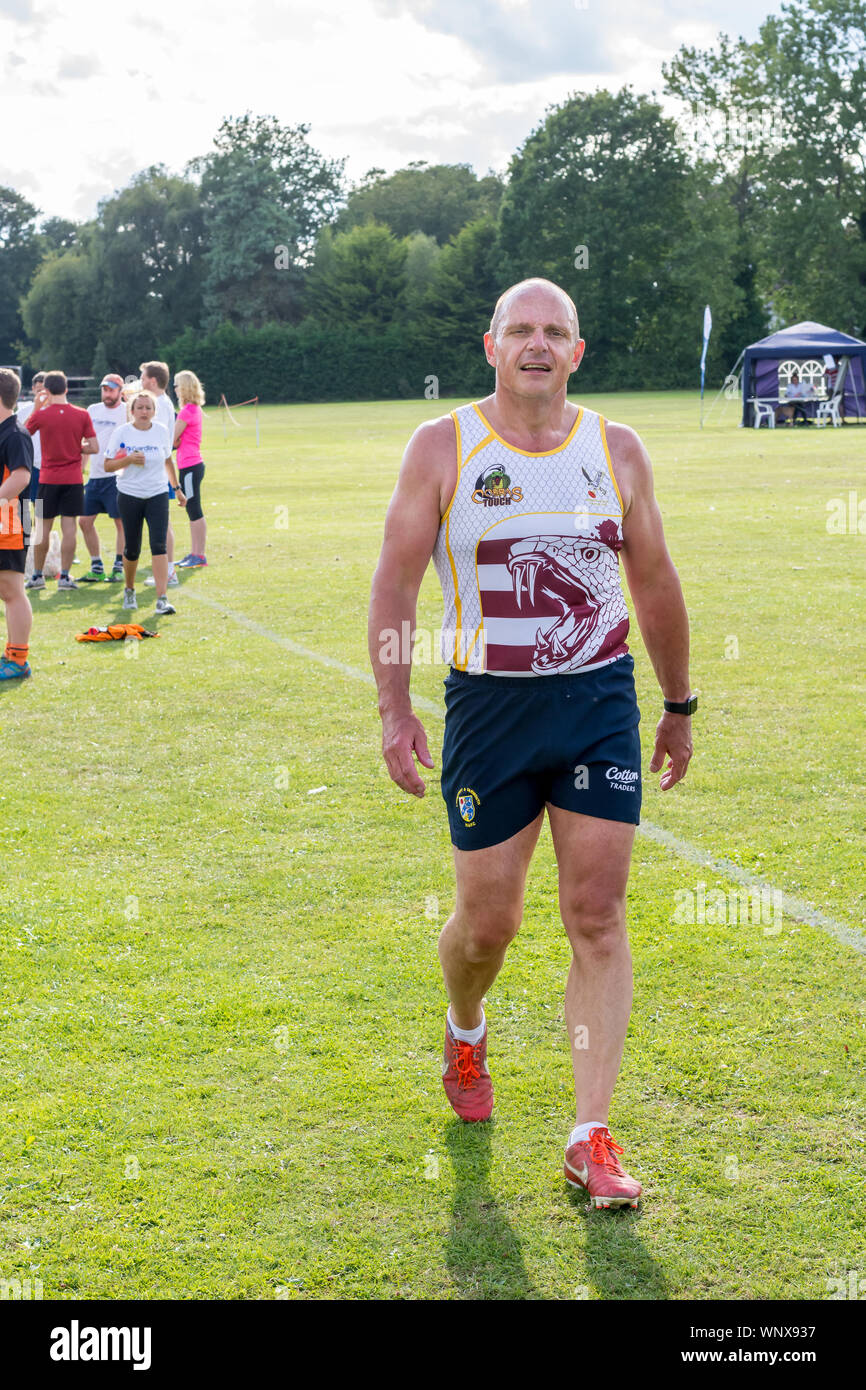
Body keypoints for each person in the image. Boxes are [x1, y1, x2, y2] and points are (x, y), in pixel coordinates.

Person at [368, 278, 695, 1210]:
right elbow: (393, 586)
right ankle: (464, 1028)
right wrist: (395, 710)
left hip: (596, 700)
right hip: (489, 710)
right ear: (492, 346)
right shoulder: (444, 447)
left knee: (596, 914)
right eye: (522, 330)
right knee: (490, 925)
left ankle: (589, 1134)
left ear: (578, 352)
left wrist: (678, 703)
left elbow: (657, 581)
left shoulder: (617, 449)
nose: (539, 344)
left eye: (556, 331)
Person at [103, 390, 185, 616]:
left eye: (148, 408)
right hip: (129, 494)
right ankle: (129, 590)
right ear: (131, 411)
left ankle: (162, 598)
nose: (144, 412)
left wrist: (177, 489)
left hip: (157, 493)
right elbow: (108, 465)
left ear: (154, 411)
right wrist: (128, 459)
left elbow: (168, 461)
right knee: (132, 547)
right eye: (139, 407)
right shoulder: (122, 432)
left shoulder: (161, 431)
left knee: (159, 545)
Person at [23, 370, 98, 590]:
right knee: (69, 529)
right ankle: (64, 577)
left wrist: (37, 408)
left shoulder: (42, 415)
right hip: (73, 480)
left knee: (42, 529)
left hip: (47, 479)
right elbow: (93, 447)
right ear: (66, 388)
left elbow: (22, 434)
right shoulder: (82, 414)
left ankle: (37, 576)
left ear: (45, 390)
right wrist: (77, 447)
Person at [0, 369, 34, 680]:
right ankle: (11, 654)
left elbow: (22, 477)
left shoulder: (15, 434)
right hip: (4, 519)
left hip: (11, 521)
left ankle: (19, 659)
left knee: (12, 591)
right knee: (6, 590)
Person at [79, 373, 127, 582]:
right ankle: (97, 565)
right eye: (105, 389)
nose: (107, 394)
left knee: (120, 522)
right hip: (95, 477)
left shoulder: (127, 411)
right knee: (84, 522)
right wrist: (81, 470)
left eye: (112, 389)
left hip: (116, 476)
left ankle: (119, 565)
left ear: (120, 392)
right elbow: (87, 442)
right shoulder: (92, 410)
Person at [139, 362, 179, 588]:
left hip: (157, 473)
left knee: (161, 525)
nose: (141, 381)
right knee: (160, 524)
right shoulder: (161, 403)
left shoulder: (161, 405)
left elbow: (156, 440)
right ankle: (166, 570)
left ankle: (169, 571)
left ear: (152, 381)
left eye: (143, 377)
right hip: (155, 472)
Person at [172, 370, 207, 568]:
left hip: (190, 465)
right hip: (190, 464)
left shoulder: (187, 411)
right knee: (192, 509)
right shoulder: (193, 409)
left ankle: (199, 555)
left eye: (177, 385)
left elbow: (172, 438)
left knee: (194, 509)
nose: (175, 389)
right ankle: (195, 552)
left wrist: (175, 440)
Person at [16, 371, 45, 522]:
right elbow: (19, 432)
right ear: (33, 389)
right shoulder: (23, 412)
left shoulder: (54, 411)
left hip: (45, 465)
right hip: (28, 463)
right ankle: (28, 541)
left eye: (45, 389)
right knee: (24, 505)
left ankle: (40, 539)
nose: (42, 393)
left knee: (39, 506)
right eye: (39, 389)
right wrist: (36, 410)